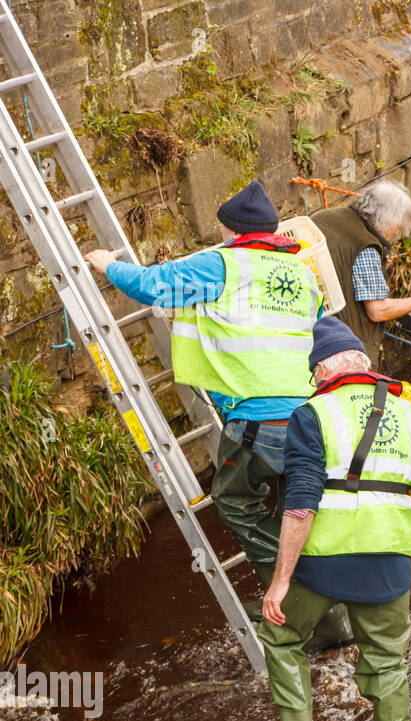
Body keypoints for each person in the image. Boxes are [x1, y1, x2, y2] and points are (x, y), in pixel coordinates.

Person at [85, 180, 350, 650]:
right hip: (315, 414)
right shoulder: (302, 272)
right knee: (303, 512)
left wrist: (107, 263)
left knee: (234, 500)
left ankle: (296, 604)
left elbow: (151, 285)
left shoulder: (224, 263)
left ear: (233, 231)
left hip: (260, 416)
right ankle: (332, 617)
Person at [258, 316, 411, 721]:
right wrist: (404, 549)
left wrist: (281, 580)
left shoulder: (313, 414)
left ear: (323, 371)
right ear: (364, 364)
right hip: (388, 567)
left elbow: (301, 503)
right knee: (388, 661)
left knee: (281, 636)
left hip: (321, 566)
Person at [312, 181, 411, 369]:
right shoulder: (365, 246)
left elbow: (338, 261)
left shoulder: (322, 217)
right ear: (384, 217)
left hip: (311, 331)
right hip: (344, 350)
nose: (395, 232)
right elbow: (377, 311)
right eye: (396, 225)